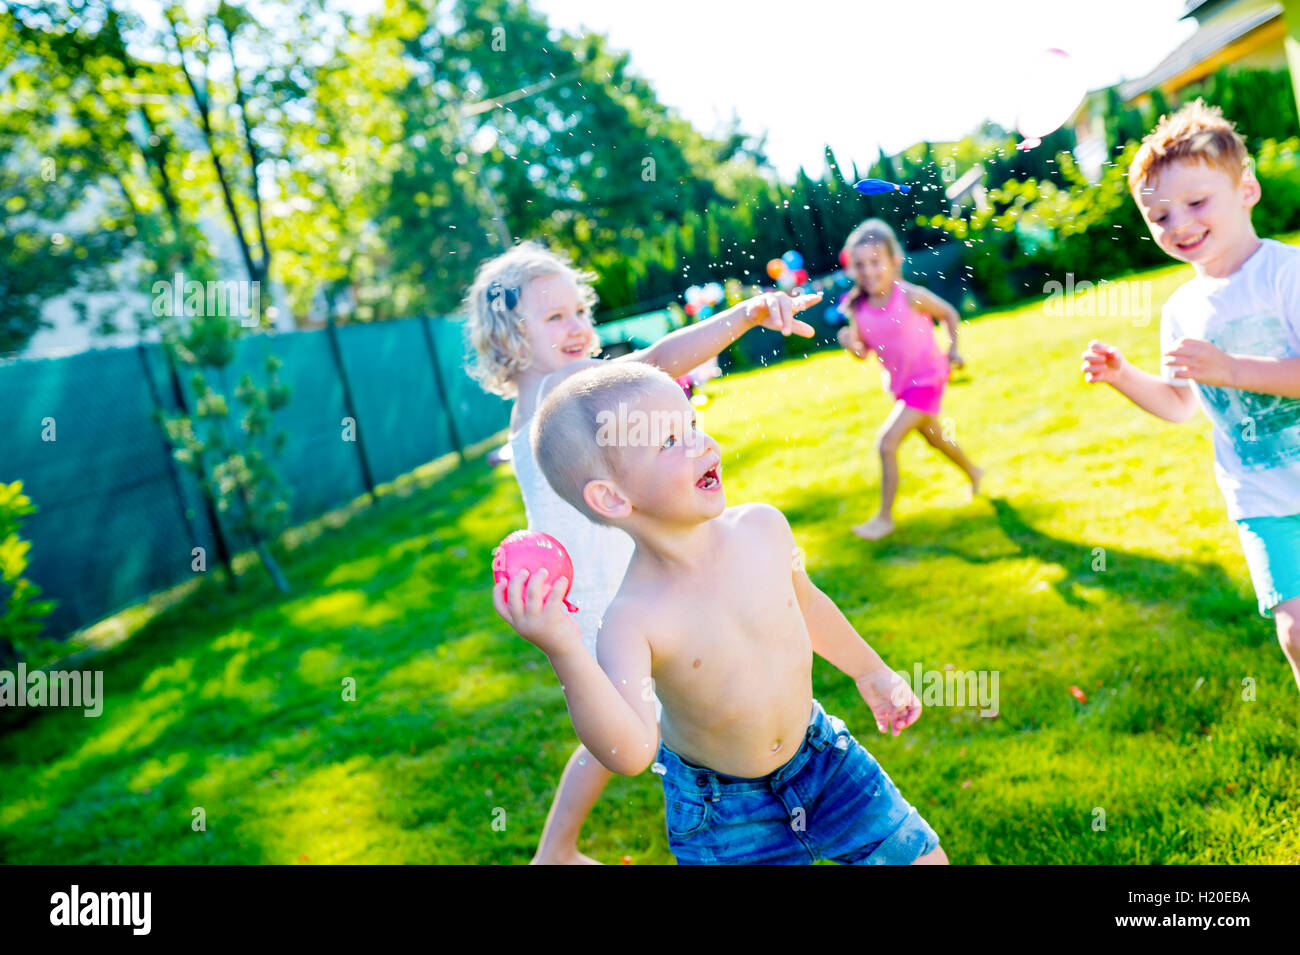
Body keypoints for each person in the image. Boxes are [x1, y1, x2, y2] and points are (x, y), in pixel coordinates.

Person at [494, 361, 947, 865]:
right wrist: (563, 649)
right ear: (612, 497)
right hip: (722, 813)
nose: (702, 445)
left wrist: (871, 671)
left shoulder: (763, 527)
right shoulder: (631, 619)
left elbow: (806, 604)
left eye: (691, 423)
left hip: (821, 758)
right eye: (668, 442)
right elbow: (631, 752)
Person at [467, 240, 821, 862]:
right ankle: (569, 848)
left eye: (580, 311)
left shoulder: (538, 404)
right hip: (612, 603)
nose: (579, 327)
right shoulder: (559, 389)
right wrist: (744, 315)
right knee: (640, 726)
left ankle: (559, 851)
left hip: (614, 592)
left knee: (641, 722)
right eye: (555, 319)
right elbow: (655, 363)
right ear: (508, 339)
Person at [1081, 100, 1300, 692]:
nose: (1179, 225)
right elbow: (1181, 404)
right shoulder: (1181, 309)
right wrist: (1124, 376)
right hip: (1260, 497)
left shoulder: (1286, 273)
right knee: (1296, 632)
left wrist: (1232, 368)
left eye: (1197, 203)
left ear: (1247, 189)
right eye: (1160, 217)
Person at [836, 219, 983, 539]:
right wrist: (851, 346)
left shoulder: (911, 296)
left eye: (876, 262)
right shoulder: (857, 308)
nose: (869, 271)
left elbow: (949, 314)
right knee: (935, 438)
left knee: (887, 444)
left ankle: (885, 518)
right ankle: (974, 471)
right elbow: (863, 352)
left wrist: (954, 349)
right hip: (902, 386)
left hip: (928, 378)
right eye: (860, 265)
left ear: (894, 262)